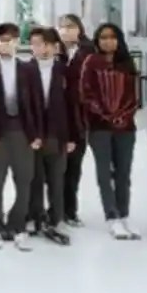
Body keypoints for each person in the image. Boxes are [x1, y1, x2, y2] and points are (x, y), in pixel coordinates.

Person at [0, 23, 41, 252]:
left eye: (12, 39)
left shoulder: (27, 69)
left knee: (24, 179)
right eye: (2, 40)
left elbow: (35, 104)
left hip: (23, 131)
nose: (7, 44)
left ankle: (18, 224)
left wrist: (36, 134)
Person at [82, 22, 142, 240]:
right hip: (99, 127)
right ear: (97, 41)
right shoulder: (91, 62)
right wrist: (106, 115)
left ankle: (124, 214)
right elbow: (86, 94)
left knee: (124, 173)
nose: (108, 41)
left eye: (112, 37)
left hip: (126, 127)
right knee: (104, 172)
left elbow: (134, 98)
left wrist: (122, 116)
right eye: (103, 38)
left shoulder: (127, 63)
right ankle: (112, 216)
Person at [25, 27, 78, 245]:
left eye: (46, 44)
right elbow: (23, 106)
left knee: (57, 179)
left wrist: (73, 136)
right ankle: (35, 217)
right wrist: (30, 134)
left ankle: (57, 217)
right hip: (34, 134)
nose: (42, 48)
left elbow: (73, 105)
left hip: (58, 134)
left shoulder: (64, 71)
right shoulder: (25, 70)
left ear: (55, 46)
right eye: (37, 44)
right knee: (34, 179)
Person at [56, 13, 94, 227]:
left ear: (79, 28)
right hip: (58, 116)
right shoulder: (56, 52)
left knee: (73, 166)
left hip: (79, 117)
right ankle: (56, 208)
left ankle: (70, 210)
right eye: (62, 27)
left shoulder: (88, 52)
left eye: (70, 26)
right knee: (55, 167)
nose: (65, 31)